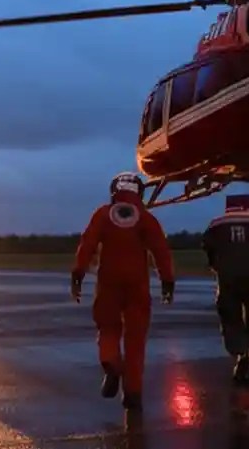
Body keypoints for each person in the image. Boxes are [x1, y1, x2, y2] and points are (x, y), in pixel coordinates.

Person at [71, 172, 175, 411]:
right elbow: (161, 251)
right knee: (136, 340)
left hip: (108, 282)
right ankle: (133, 394)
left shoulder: (102, 215)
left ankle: (111, 363)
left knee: (108, 327)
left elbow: (87, 244)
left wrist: (78, 273)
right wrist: (167, 281)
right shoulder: (147, 219)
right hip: (137, 285)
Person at [202, 193, 249, 386]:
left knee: (230, 316)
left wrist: (215, 264)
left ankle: (240, 353)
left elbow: (207, 245)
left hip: (227, 277)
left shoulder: (216, 224)